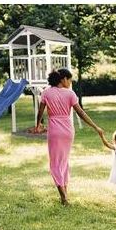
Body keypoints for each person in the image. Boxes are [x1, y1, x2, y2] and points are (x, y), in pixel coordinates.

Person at [35, 68, 103, 205]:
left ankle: (63, 197)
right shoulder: (70, 94)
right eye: (70, 80)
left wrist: (38, 125)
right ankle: (65, 192)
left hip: (54, 132)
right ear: (63, 79)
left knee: (55, 163)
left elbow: (40, 111)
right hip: (68, 131)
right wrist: (95, 126)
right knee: (64, 162)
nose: (70, 82)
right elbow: (81, 113)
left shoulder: (46, 92)